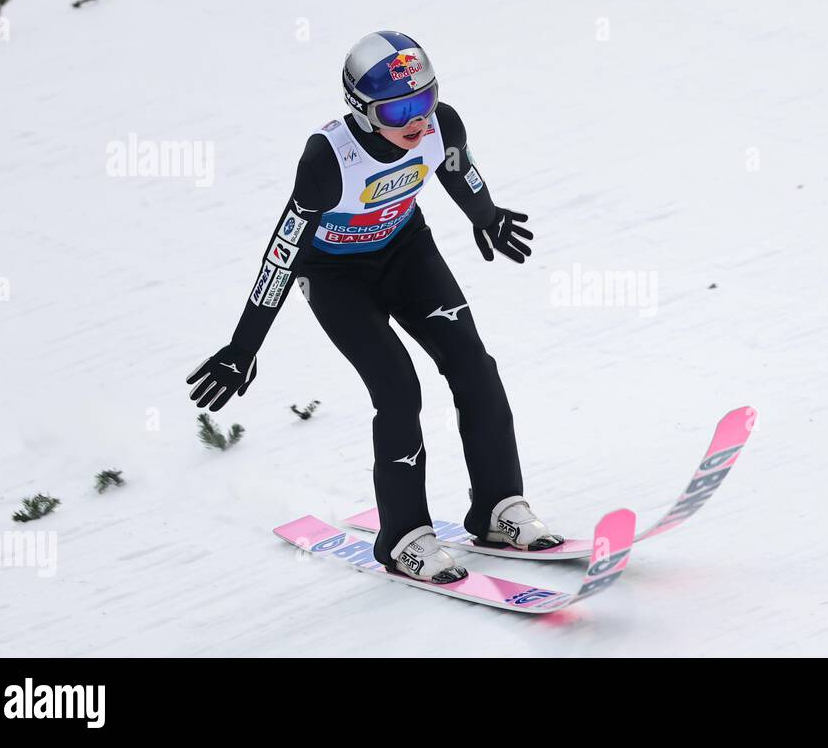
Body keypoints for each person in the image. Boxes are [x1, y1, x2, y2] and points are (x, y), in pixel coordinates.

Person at [186, 31, 562, 584]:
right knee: (397, 389)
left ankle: (497, 508)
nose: (417, 120)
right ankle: (405, 538)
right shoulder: (326, 160)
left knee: (474, 367)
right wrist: (244, 346)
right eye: (399, 109)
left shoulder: (440, 124)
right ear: (361, 110)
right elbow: (283, 252)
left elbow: (458, 170)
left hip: (407, 253)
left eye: (425, 99)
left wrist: (486, 215)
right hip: (335, 278)